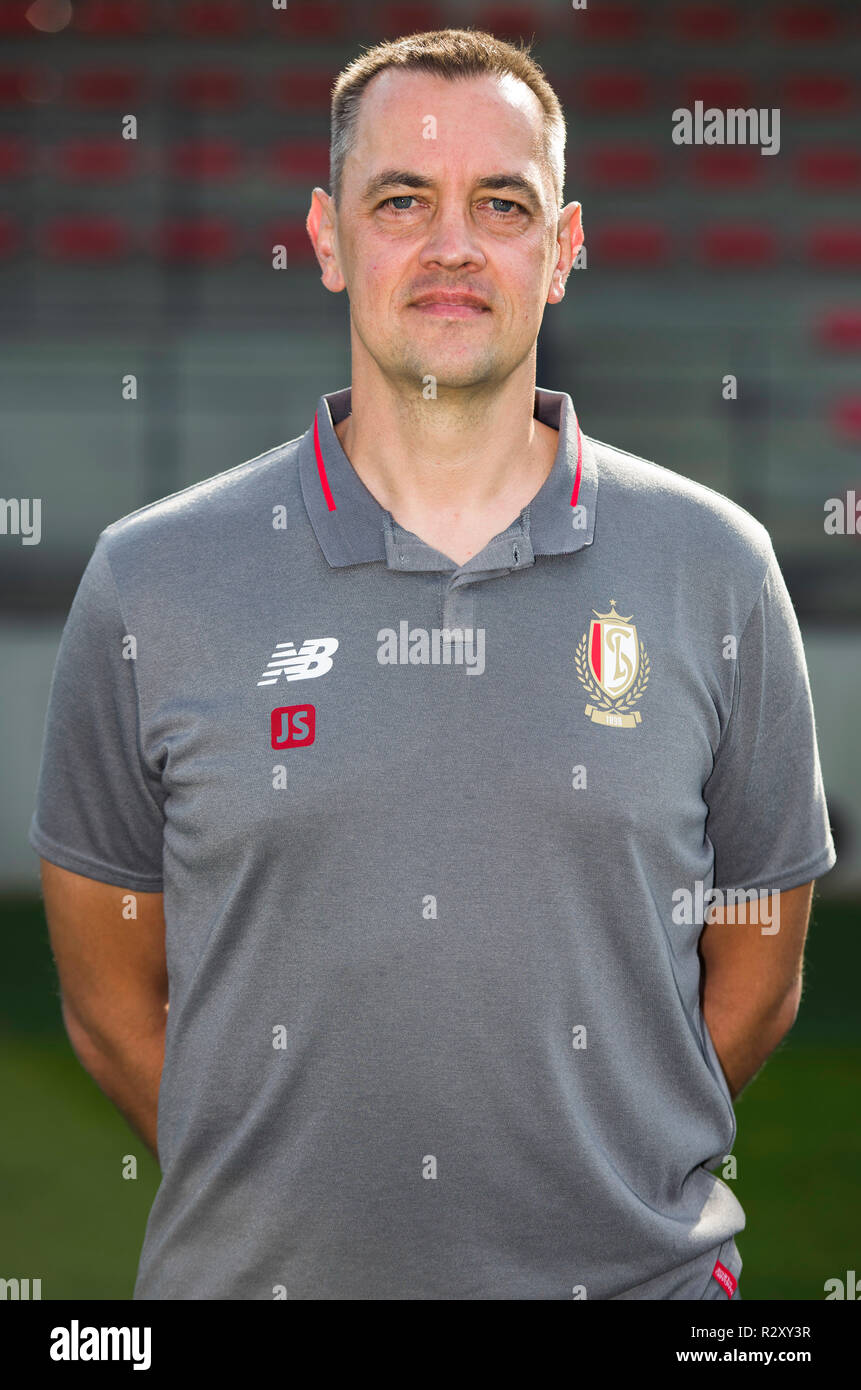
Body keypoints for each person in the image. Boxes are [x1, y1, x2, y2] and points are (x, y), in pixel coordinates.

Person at [29, 29, 835, 1300]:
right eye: (402, 199)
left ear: (562, 250)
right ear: (329, 236)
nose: (452, 244)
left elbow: (761, 965)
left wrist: (601, 1162)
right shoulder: (151, 580)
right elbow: (109, 1000)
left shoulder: (714, 568)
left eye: (501, 205)